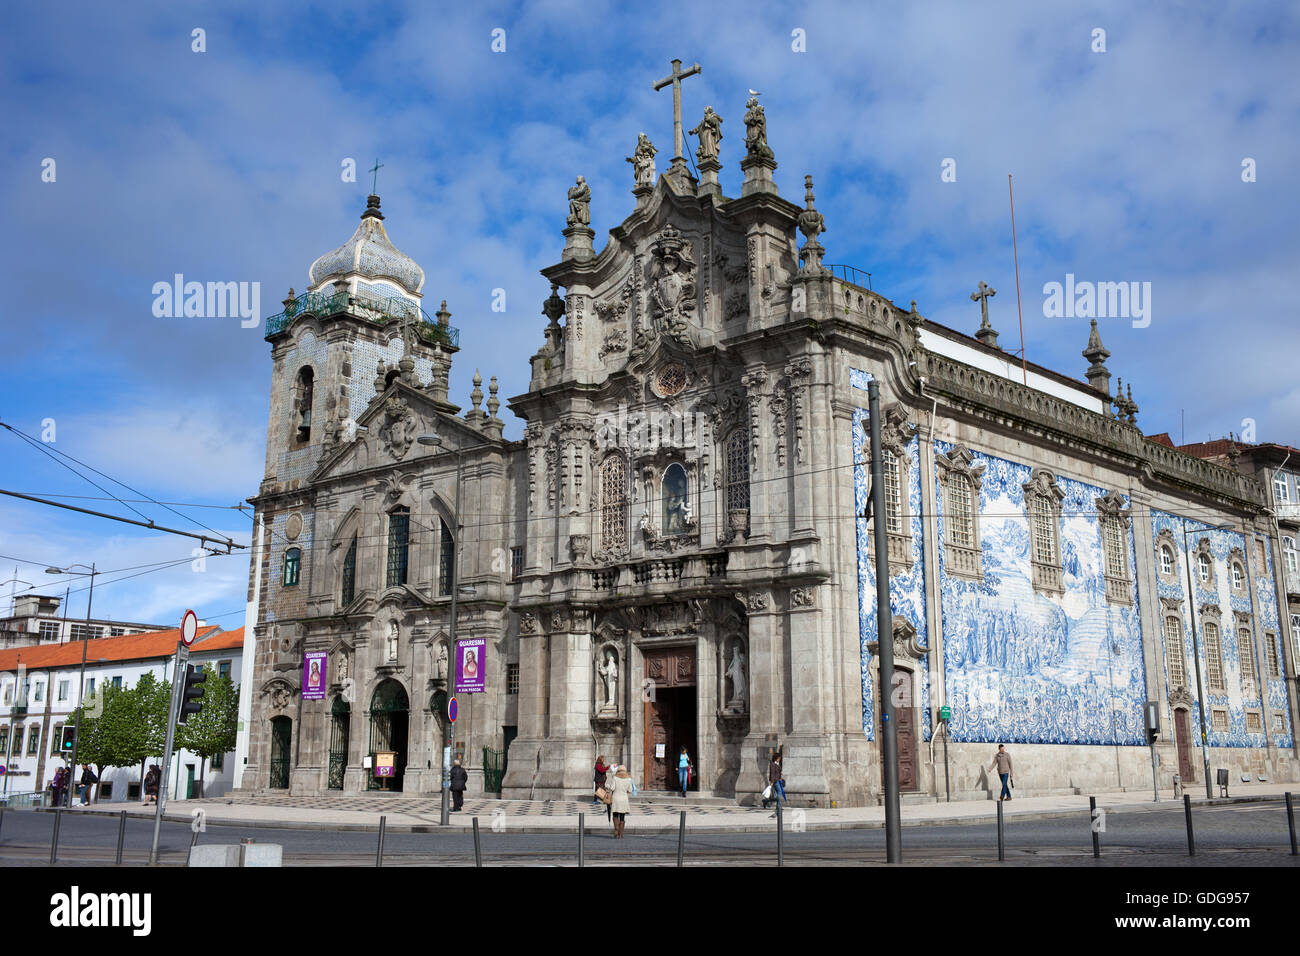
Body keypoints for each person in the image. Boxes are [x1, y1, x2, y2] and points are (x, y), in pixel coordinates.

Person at [609, 765, 636, 839]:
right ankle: (621, 834)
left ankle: (616, 829)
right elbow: (630, 790)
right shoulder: (628, 779)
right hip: (624, 799)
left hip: (616, 799)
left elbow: (612, 788)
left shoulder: (615, 778)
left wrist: (608, 785)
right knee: (622, 816)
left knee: (615, 814)